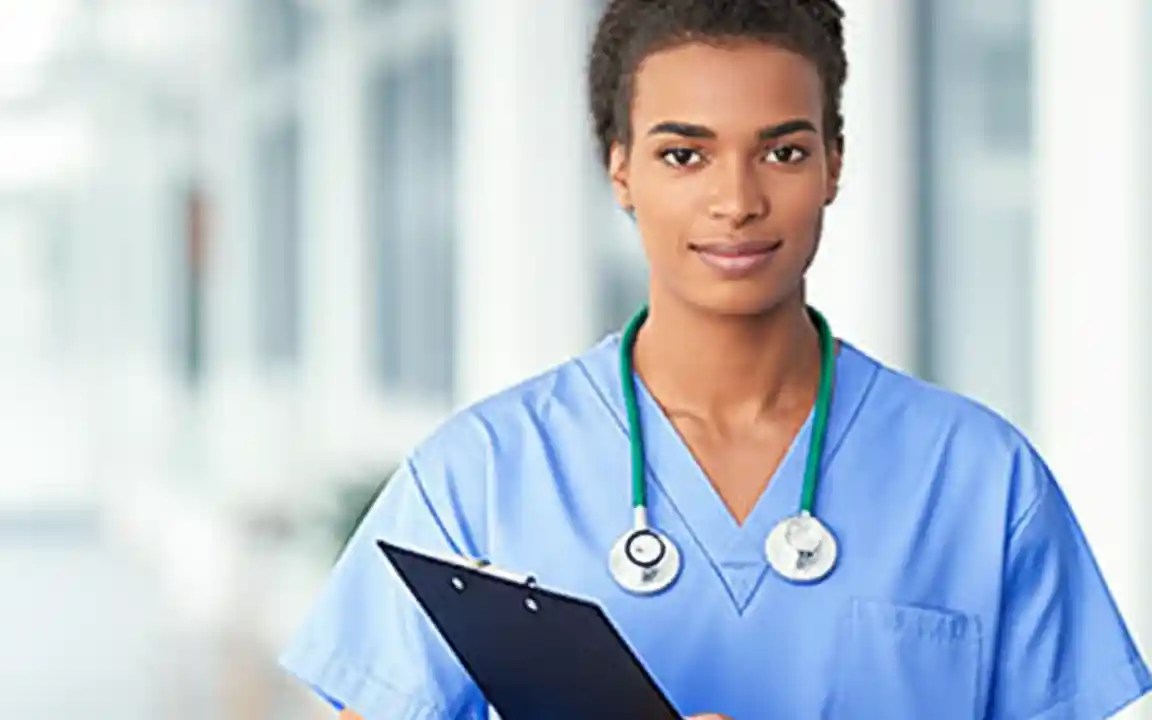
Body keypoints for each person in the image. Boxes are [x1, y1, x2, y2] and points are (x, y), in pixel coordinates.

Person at [279, 1, 1152, 717]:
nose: (737, 201)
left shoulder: (978, 478)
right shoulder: (481, 475)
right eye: (684, 154)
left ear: (834, 165)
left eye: (783, 151)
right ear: (619, 168)